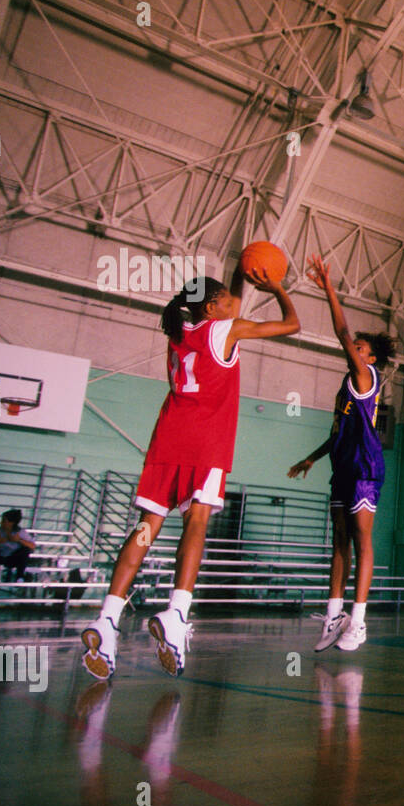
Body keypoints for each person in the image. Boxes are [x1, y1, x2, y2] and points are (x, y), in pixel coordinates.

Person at [80, 264, 299, 679]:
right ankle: (177, 611)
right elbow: (292, 325)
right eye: (228, 301)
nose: (234, 305)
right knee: (196, 521)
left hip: (167, 440)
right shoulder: (225, 331)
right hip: (205, 443)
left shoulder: (179, 335)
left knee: (146, 528)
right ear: (214, 306)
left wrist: (238, 274)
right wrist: (277, 287)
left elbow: (227, 307)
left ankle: (107, 618)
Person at [287, 254, 396, 654]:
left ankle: (360, 620)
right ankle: (334, 614)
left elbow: (341, 330)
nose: (354, 347)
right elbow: (337, 434)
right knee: (339, 540)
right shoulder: (345, 388)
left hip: (366, 468)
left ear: (368, 357)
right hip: (343, 468)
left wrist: (329, 287)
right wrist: (312, 458)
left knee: (363, 541)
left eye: (360, 347)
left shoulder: (365, 377)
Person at [0, 508, 36, 582]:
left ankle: (19, 578)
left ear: (12, 523)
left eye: (4, 521)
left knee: (25, 550)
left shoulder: (21, 532)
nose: (1, 523)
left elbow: (33, 546)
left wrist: (19, 540)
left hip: (12, 559)